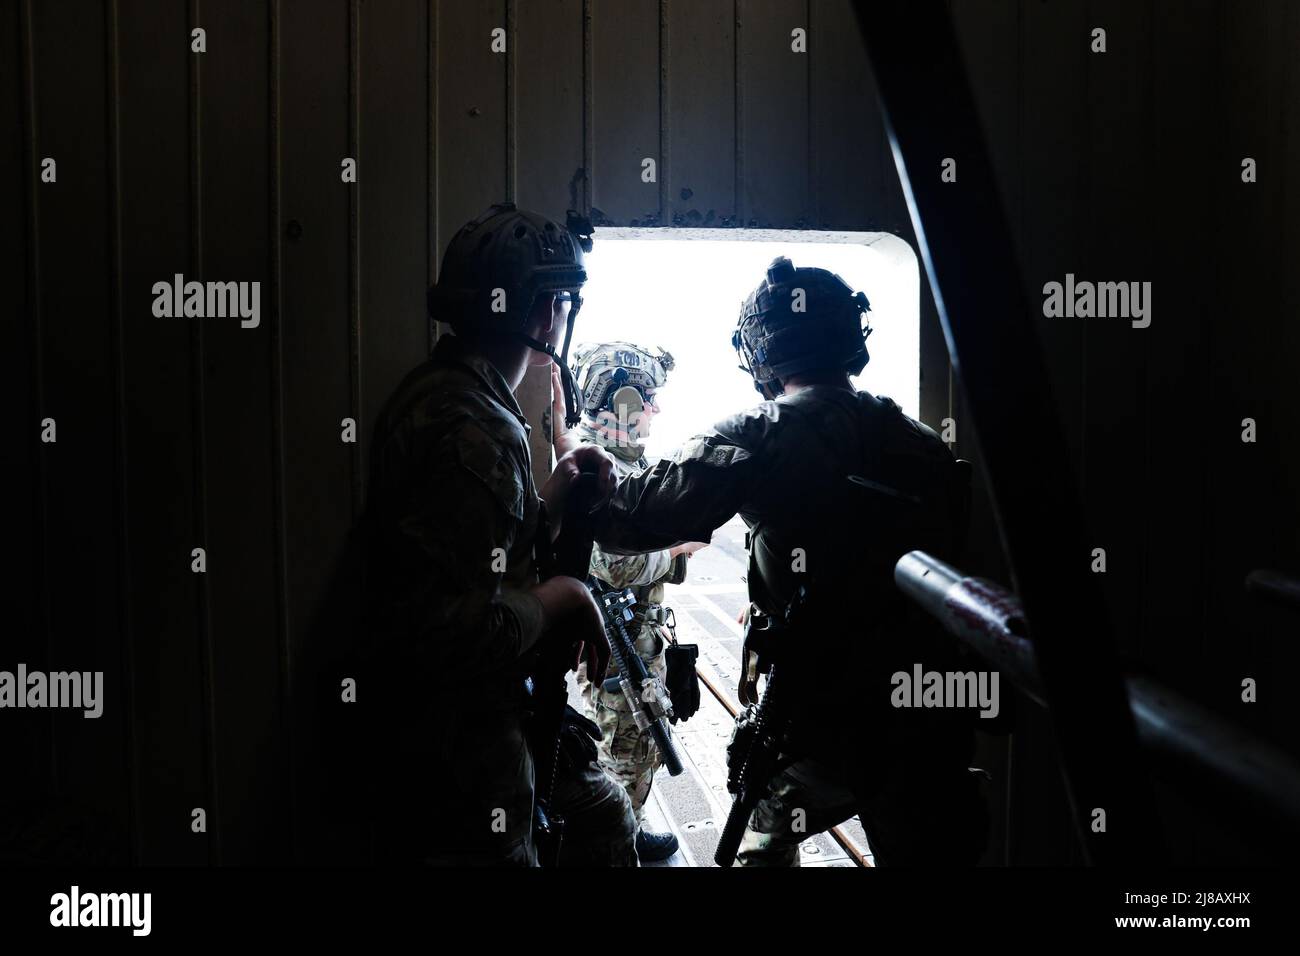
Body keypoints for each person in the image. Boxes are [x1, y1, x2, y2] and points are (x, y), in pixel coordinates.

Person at [589, 257, 989, 866]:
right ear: (851, 341)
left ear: (759, 355)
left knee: (763, 850)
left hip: (813, 719)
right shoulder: (921, 444)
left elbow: (626, 522)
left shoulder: (761, 434)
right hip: (918, 720)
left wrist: (577, 465)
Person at [362, 203, 638, 866]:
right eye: (563, 302)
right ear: (545, 313)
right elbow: (454, 630)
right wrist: (565, 595)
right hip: (462, 736)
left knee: (601, 811)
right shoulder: (476, 431)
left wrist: (559, 485)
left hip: (459, 715)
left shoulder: (446, 391)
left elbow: (480, 547)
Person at [553, 342, 707, 862]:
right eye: (647, 399)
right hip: (621, 645)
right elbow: (612, 565)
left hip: (634, 635)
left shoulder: (616, 456)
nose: (655, 410)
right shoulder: (603, 466)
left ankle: (632, 826)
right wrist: (679, 550)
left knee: (640, 747)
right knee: (625, 749)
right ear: (621, 401)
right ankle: (618, 843)